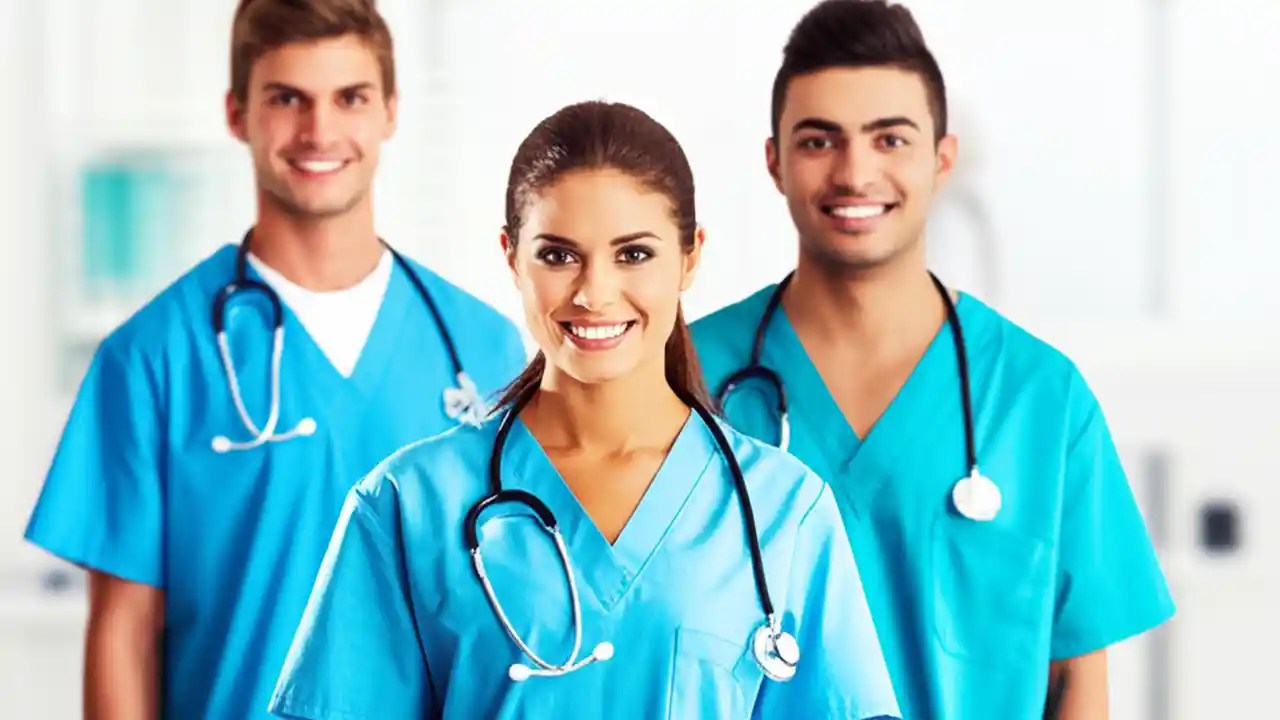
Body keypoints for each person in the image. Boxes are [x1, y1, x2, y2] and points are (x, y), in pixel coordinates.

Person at [267, 100, 902, 720]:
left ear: (690, 257)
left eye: (633, 254)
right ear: (511, 256)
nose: (594, 292)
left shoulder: (784, 510)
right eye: (558, 255)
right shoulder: (407, 504)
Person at [22, 1, 526, 717]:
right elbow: (124, 631)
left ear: (390, 111)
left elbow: (506, 615)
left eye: (349, 98)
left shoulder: (484, 346)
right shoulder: (151, 358)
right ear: (237, 114)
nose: (319, 131)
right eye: (287, 99)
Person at [690, 1, 1175, 718]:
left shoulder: (1040, 399)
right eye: (820, 141)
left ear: (941, 159)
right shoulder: (688, 376)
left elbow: (1075, 682)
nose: (855, 173)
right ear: (775, 162)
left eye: (890, 139)